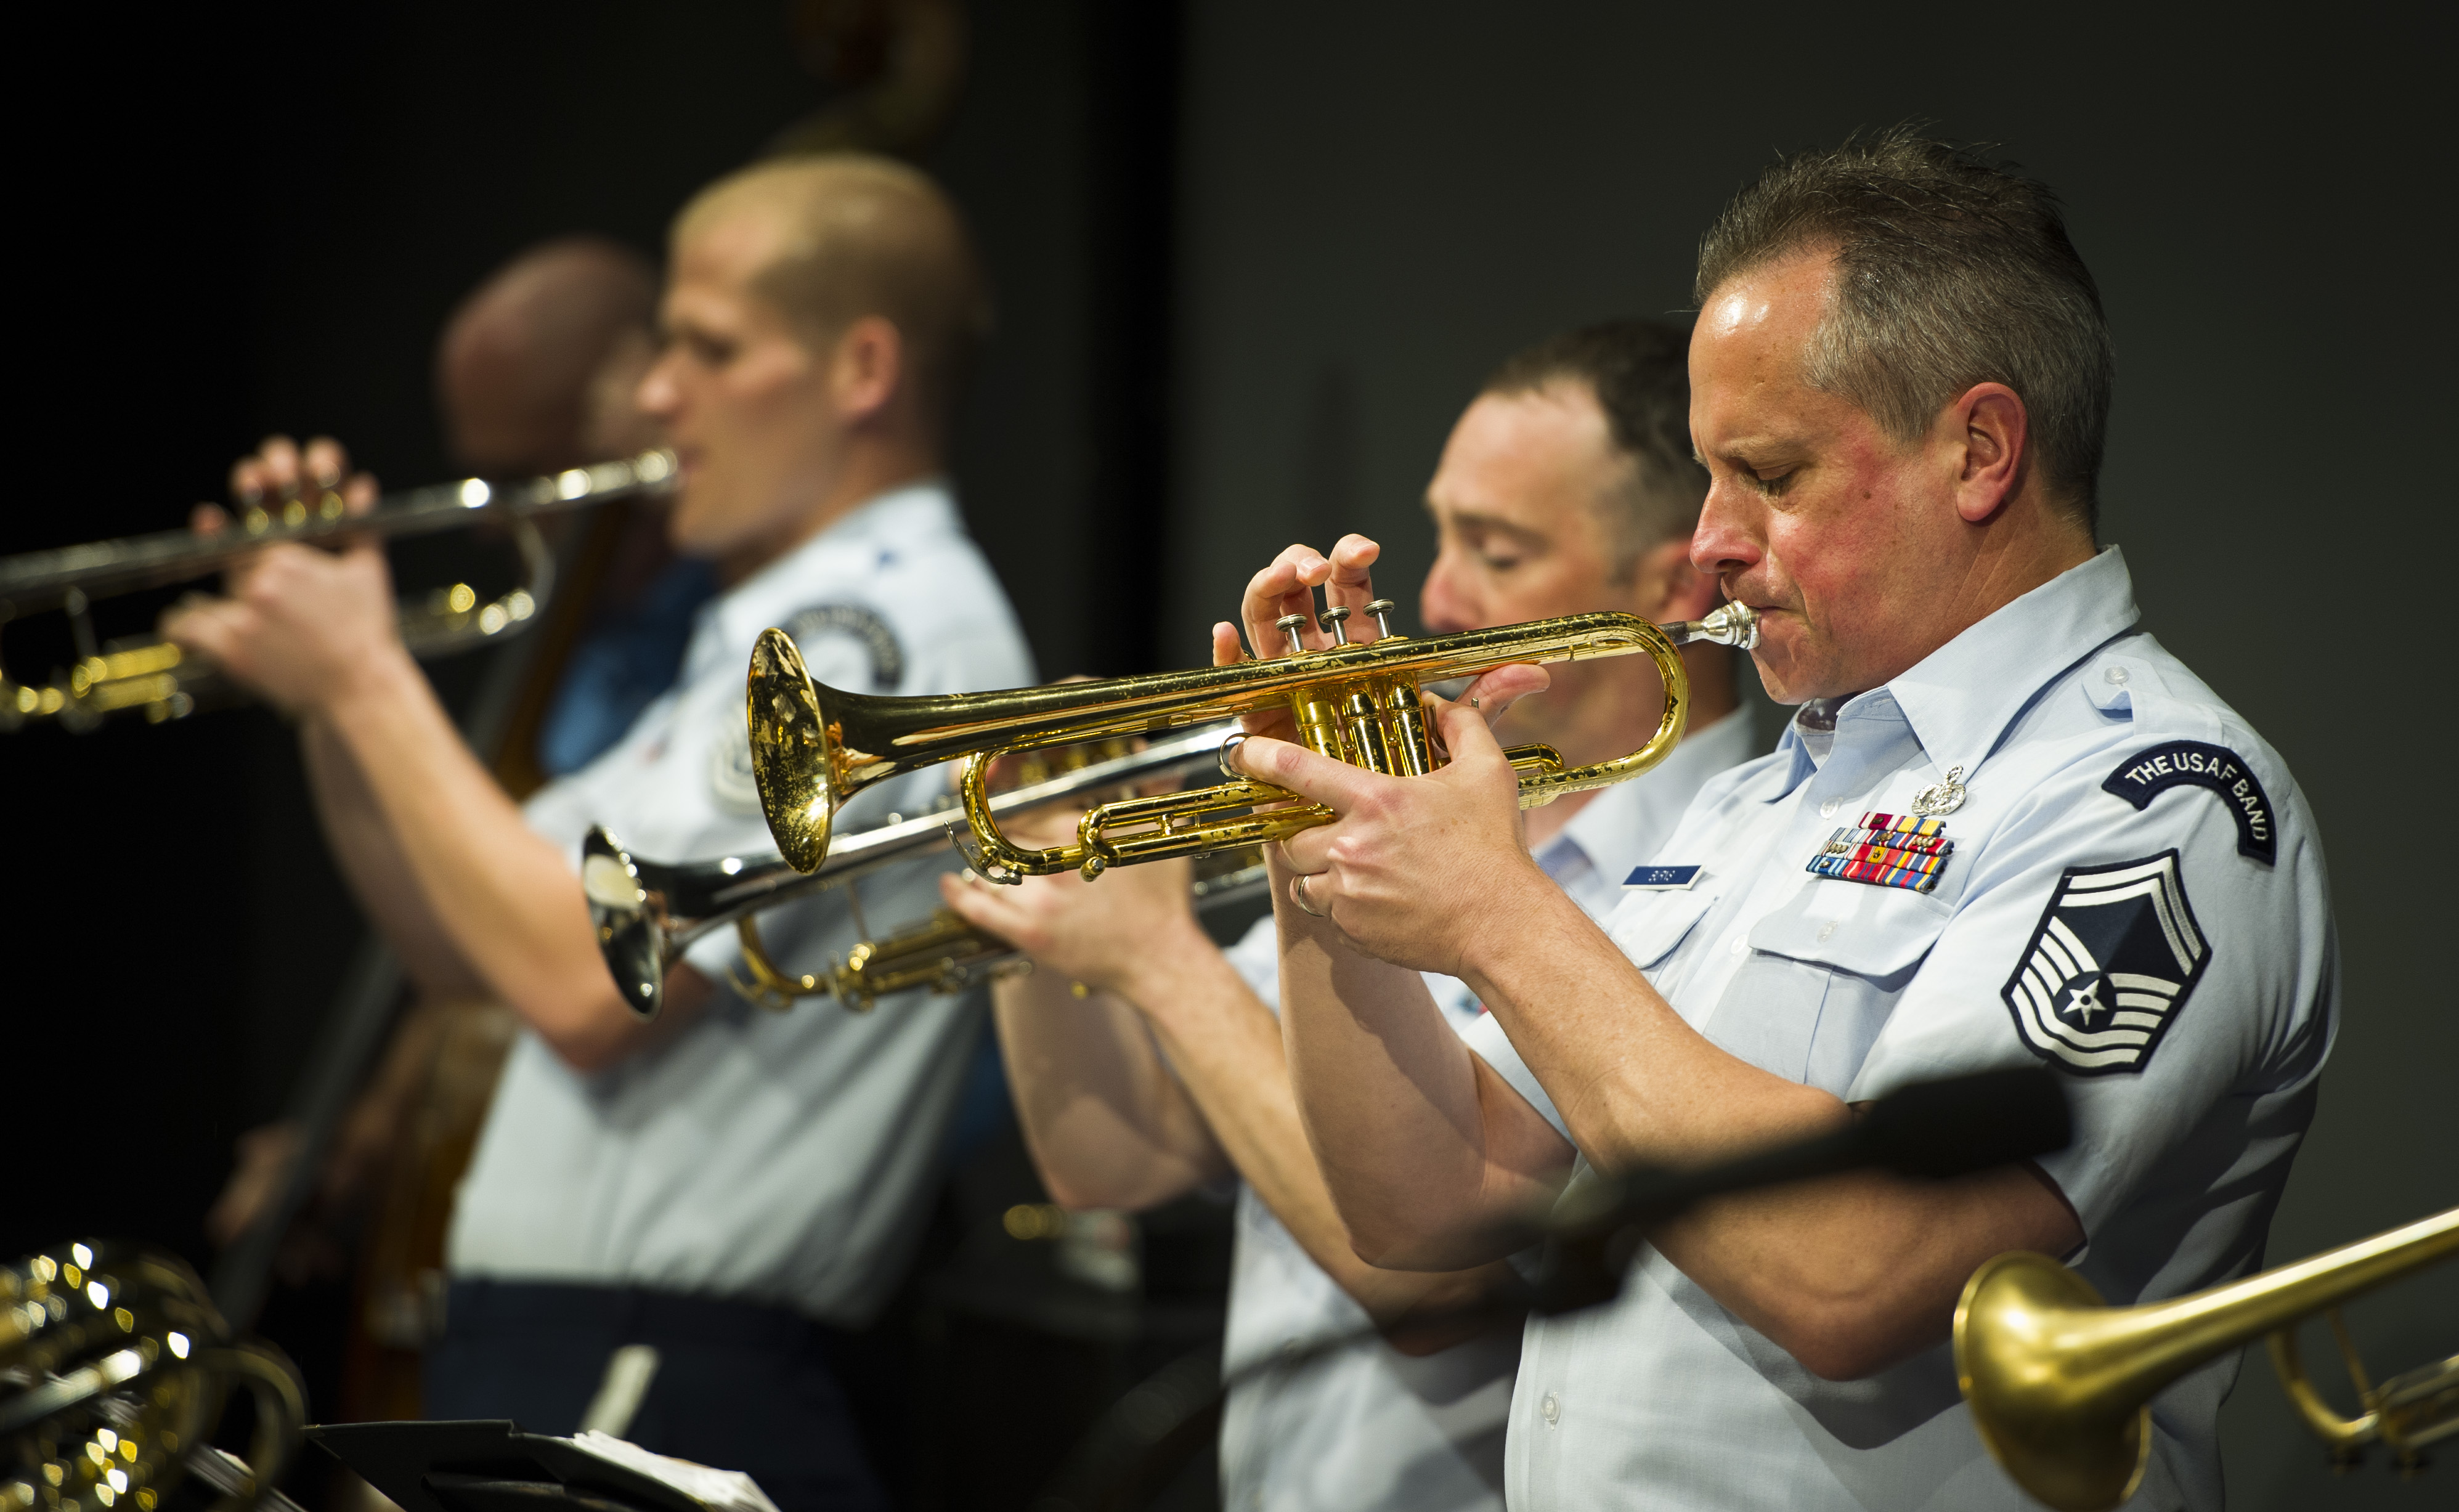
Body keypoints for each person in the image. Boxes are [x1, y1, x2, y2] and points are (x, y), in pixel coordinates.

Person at [1221, 129, 2333, 1511]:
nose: (1708, 542)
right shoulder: (1765, 794)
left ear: (1980, 450)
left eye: (1769, 473)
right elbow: (1428, 1203)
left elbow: (1859, 1267)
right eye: (1706, 475)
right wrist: (1313, 828)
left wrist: (1499, 913)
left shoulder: (2158, 800)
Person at [168, 153, 1031, 1512]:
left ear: (863, 368)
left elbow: (584, 982)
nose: (652, 394)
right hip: (591, 1347)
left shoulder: (876, 634)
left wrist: (366, 679)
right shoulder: (769, 621)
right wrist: (332, 703)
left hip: (667, 1373)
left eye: (708, 346)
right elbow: (471, 948)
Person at [943, 320, 1757, 1511]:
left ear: (1674, 579)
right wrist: (1036, 868)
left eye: (1500, 550)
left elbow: (1429, 1285)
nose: (1437, 593)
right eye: (1443, 533)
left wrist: (1166, 959)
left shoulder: (1716, 864)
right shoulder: (1418, 810)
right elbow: (1113, 1158)